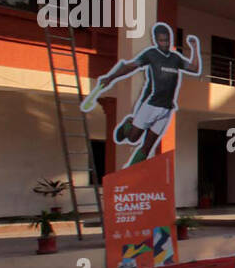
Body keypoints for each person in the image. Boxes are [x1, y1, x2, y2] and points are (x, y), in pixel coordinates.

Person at [82, 21, 200, 167]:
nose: (165, 43)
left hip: (167, 108)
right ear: (156, 40)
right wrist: (111, 78)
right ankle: (127, 125)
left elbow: (194, 68)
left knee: (148, 146)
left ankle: (131, 171)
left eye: (168, 40)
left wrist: (195, 48)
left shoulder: (175, 59)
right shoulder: (151, 54)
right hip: (151, 104)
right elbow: (130, 67)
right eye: (162, 40)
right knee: (133, 139)